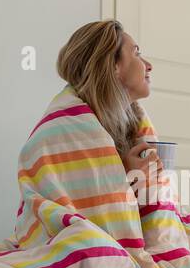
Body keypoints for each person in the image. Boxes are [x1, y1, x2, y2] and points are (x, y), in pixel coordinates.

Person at [55, 19, 164, 195]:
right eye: (136, 53)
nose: (149, 66)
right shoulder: (67, 131)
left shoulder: (133, 123)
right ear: (113, 65)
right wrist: (123, 177)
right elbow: (80, 209)